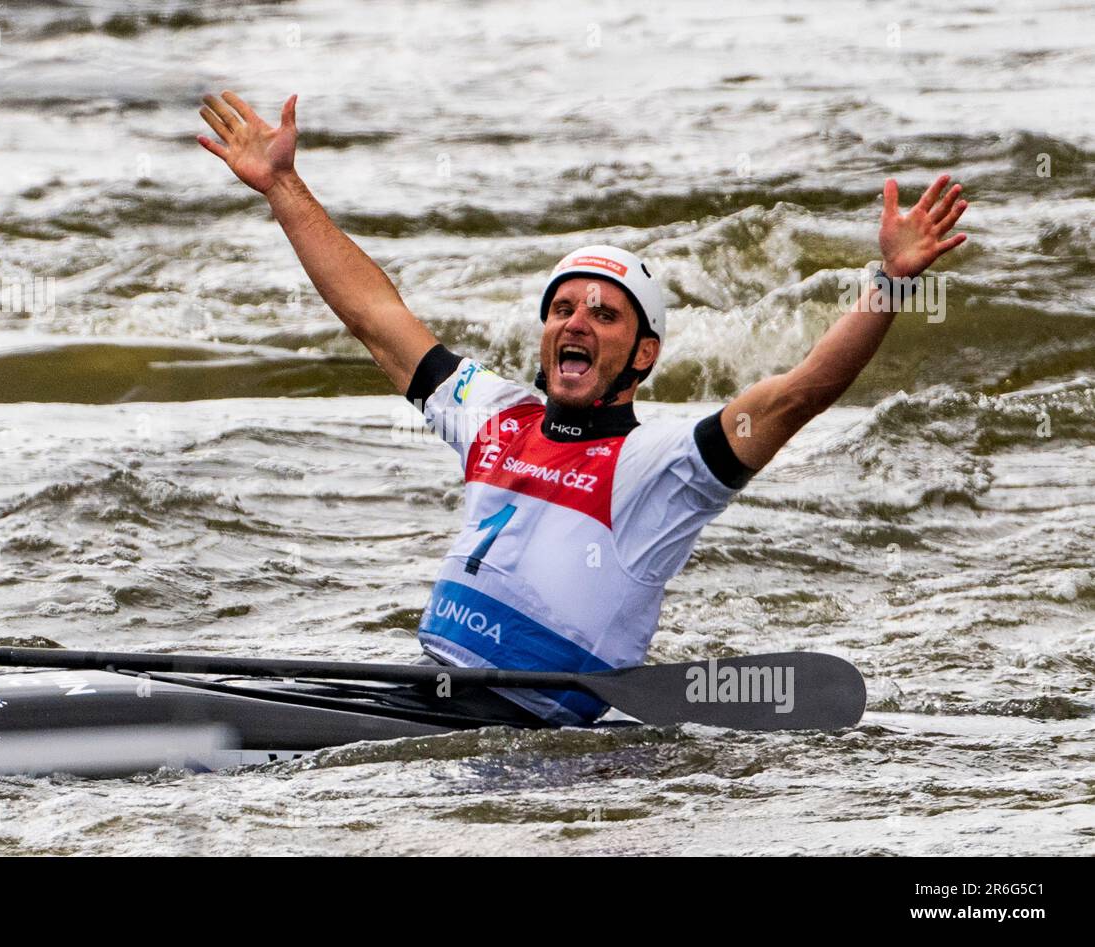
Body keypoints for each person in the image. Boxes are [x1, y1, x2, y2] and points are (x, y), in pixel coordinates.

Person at [197, 91, 970, 726]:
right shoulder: (494, 414)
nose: (575, 321)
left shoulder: (662, 467)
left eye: (605, 315)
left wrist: (893, 281)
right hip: (426, 690)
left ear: (643, 354)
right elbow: (374, 315)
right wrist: (280, 185)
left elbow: (801, 390)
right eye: (563, 307)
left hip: (528, 727)